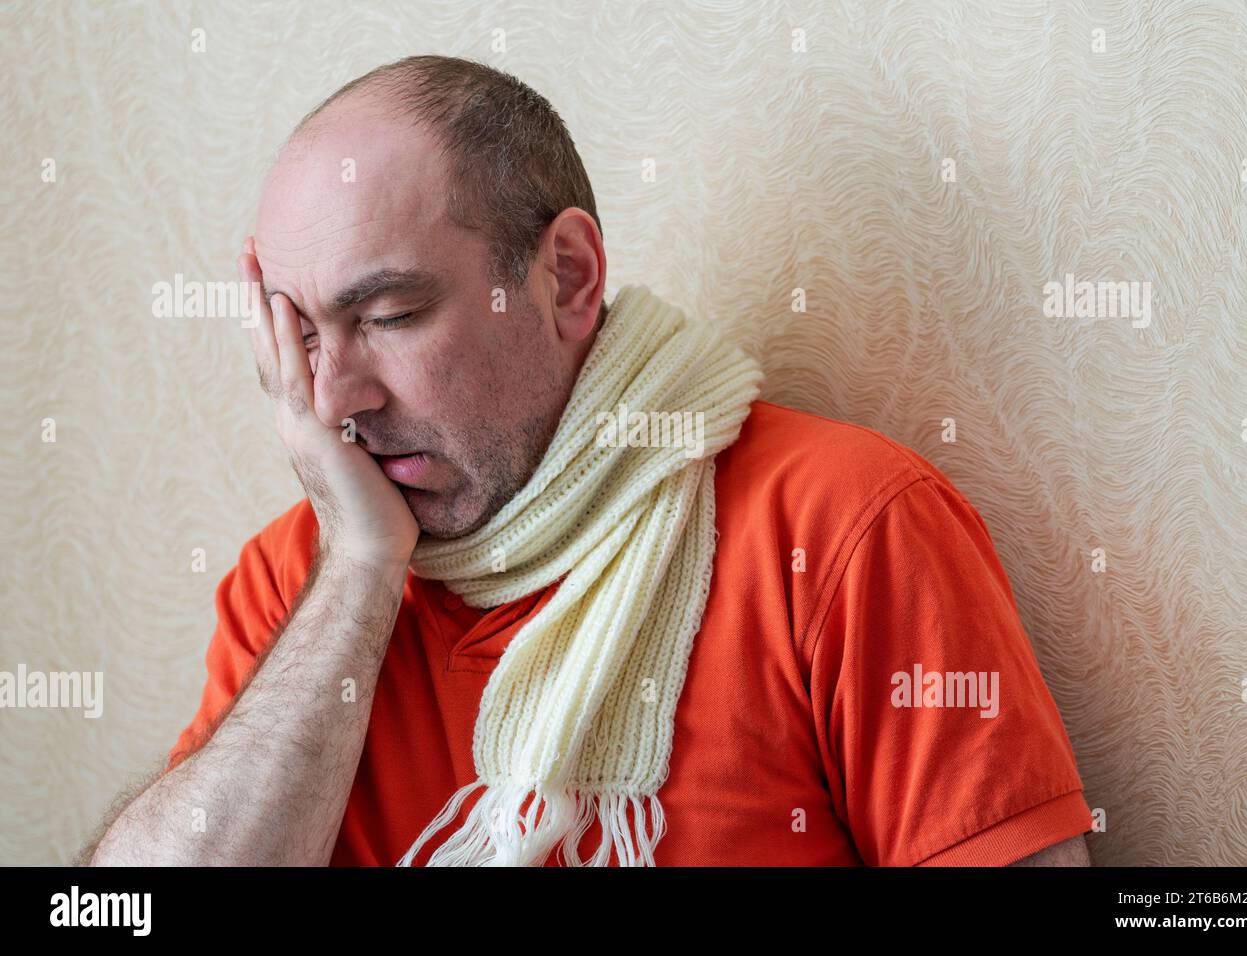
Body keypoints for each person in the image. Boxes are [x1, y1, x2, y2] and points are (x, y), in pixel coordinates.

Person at [82, 55, 1091, 867]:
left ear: (565, 275)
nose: (337, 397)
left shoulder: (841, 529)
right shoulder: (299, 580)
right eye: (300, 336)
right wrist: (355, 572)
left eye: (388, 315)